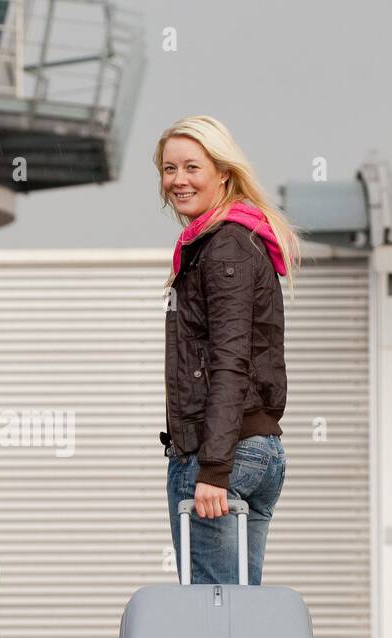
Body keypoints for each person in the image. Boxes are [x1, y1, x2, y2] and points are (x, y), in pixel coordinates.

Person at [155, 115, 301, 584]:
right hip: (256, 451)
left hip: (223, 453)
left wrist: (214, 467)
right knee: (241, 617)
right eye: (169, 168)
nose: (178, 180)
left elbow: (230, 361)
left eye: (192, 167)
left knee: (212, 619)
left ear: (223, 172)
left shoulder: (225, 248)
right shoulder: (238, 240)